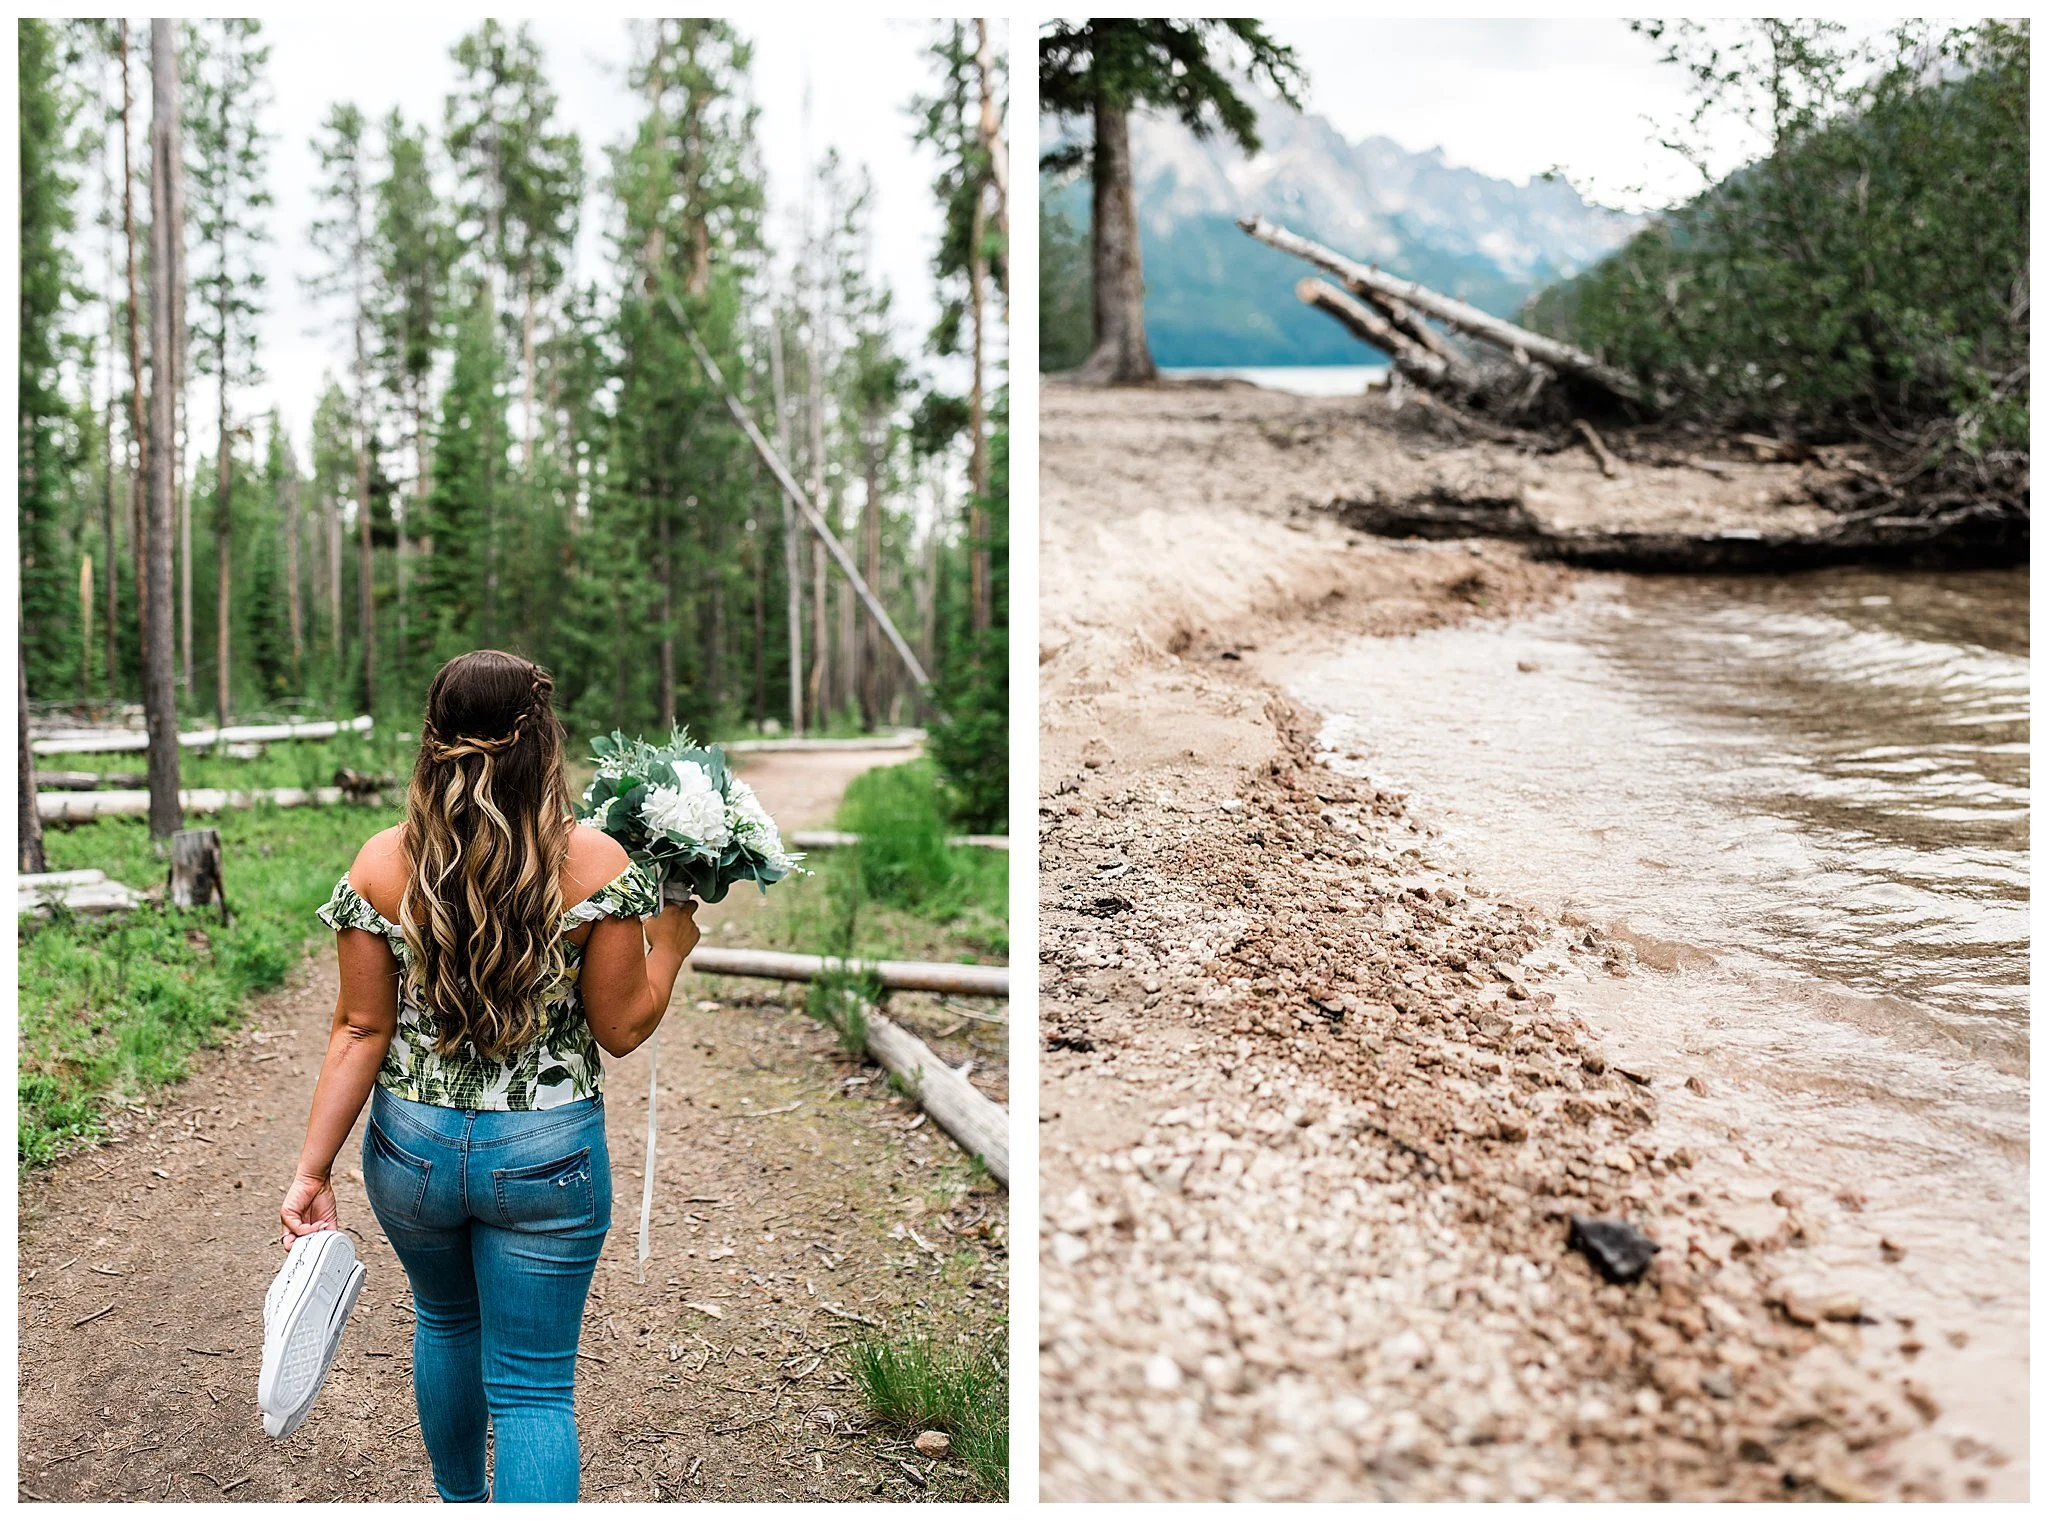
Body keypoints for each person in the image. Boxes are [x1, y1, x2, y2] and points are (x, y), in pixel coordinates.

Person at [279, 650, 699, 1502]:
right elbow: (621, 1028)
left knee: (443, 1321)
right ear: (541, 739)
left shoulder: (380, 863)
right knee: (535, 1389)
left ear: (432, 739)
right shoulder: (600, 865)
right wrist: (674, 947)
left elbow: (360, 1027)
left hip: (413, 1153)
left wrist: (312, 1169)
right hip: (549, 1154)